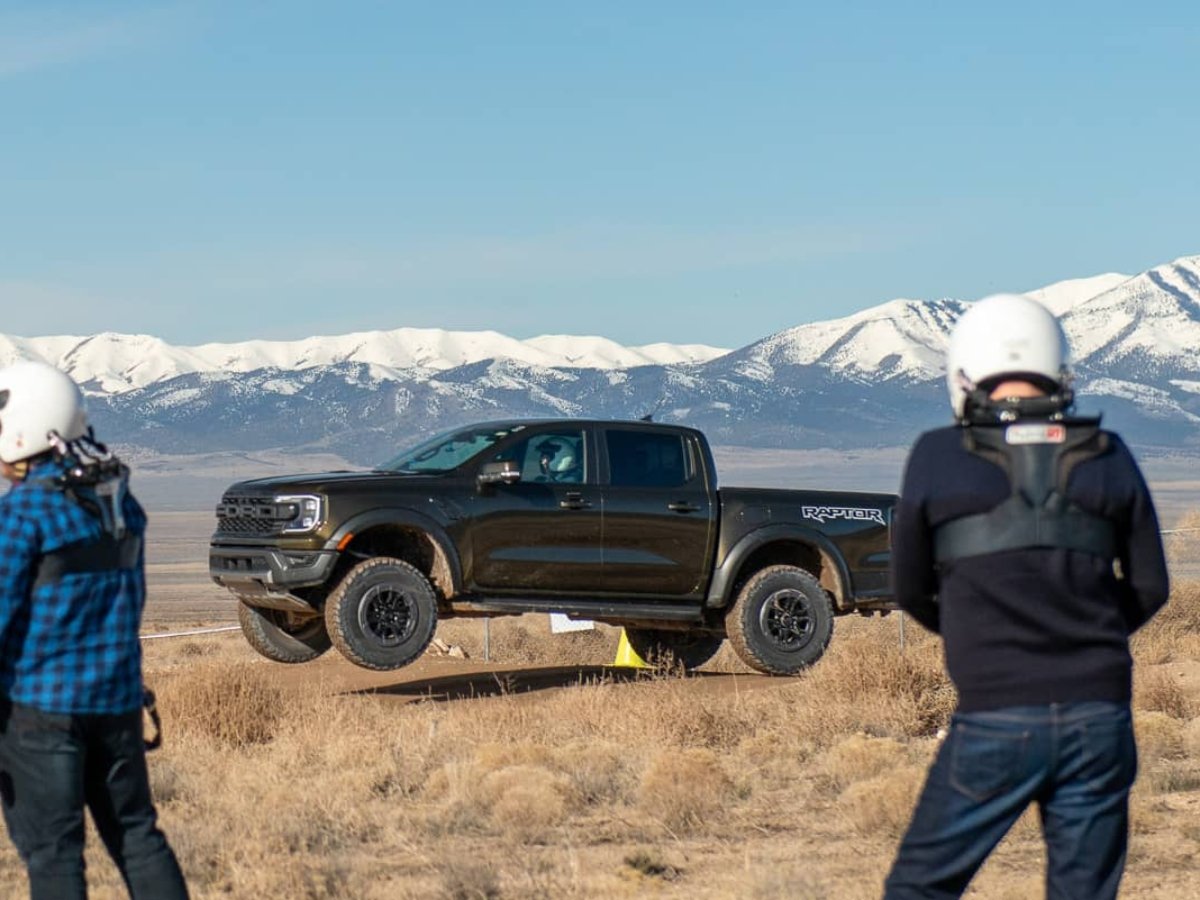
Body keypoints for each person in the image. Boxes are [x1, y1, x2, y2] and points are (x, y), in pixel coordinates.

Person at [883, 294, 1169, 899]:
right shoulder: (1108, 453)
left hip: (994, 715)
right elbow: (1150, 586)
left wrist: (982, 634)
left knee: (919, 889)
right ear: (1059, 370)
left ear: (963, 375)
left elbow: (909, 589)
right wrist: (1082, 635)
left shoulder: (936, 455)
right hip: (1100, 719)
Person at [0, 361, 188, 899]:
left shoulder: (21, 514)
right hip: (117, 703)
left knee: (54, 856)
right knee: (137, 837)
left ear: (22, 431)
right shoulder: (119, 504)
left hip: (39, 714)